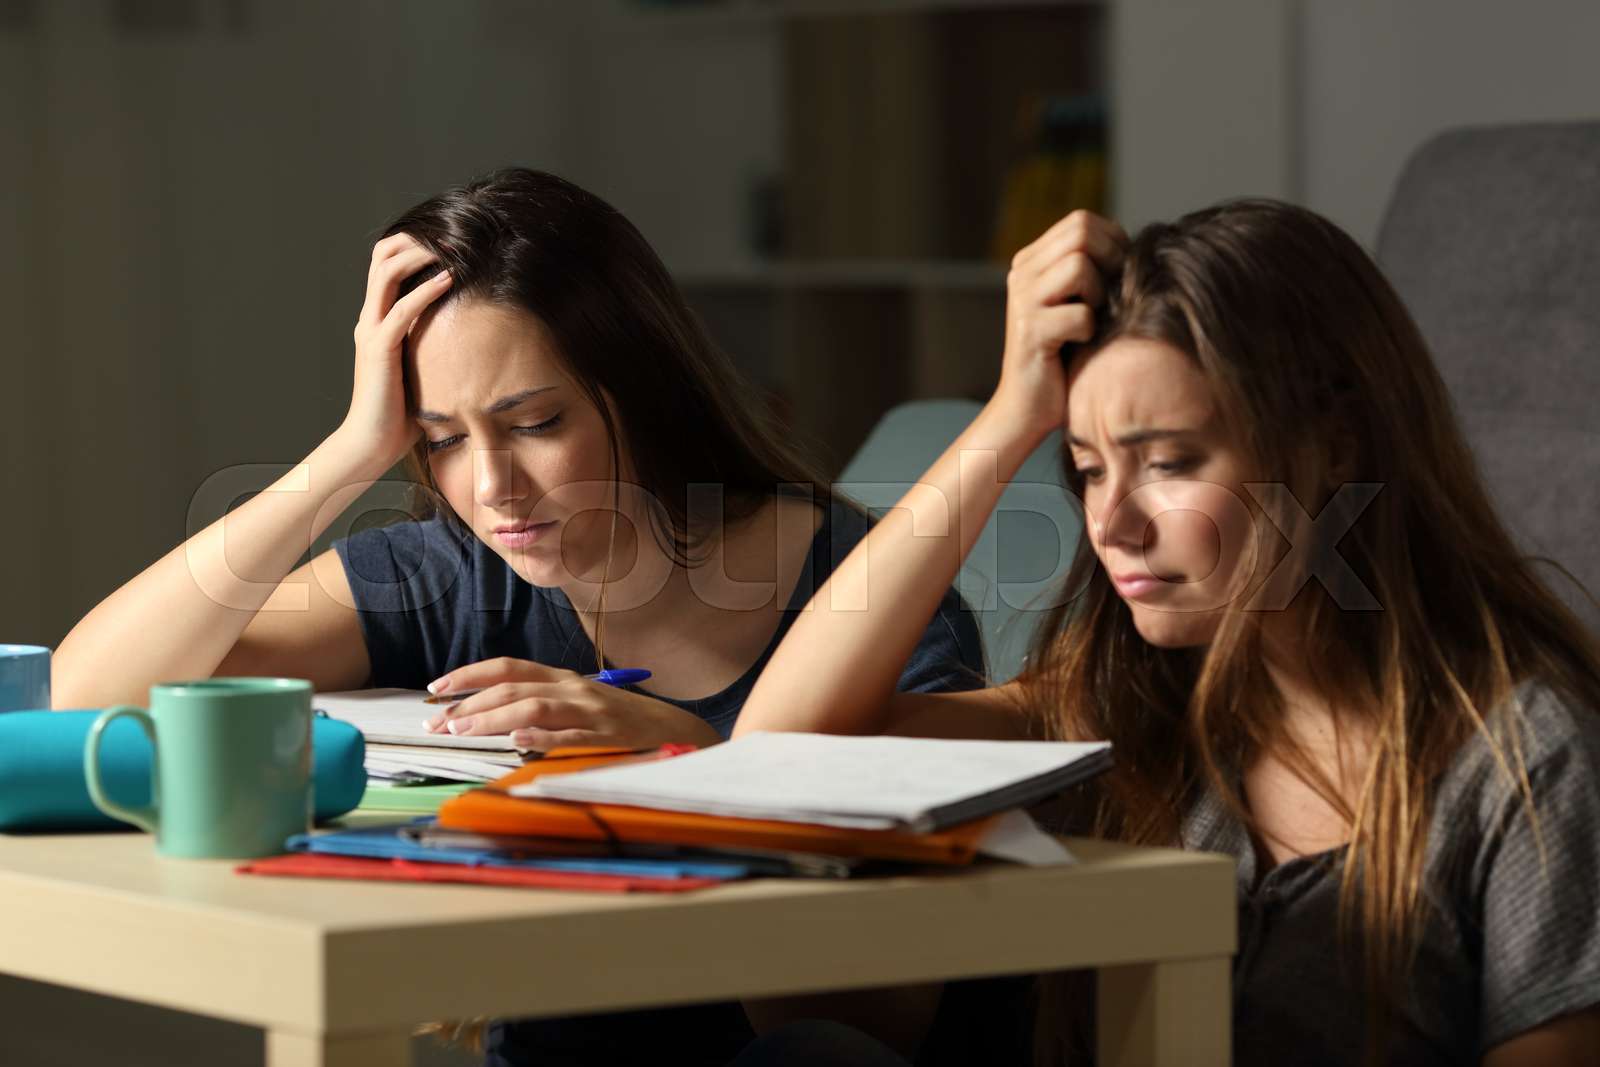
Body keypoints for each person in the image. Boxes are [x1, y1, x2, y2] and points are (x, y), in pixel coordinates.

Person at [51, 167, 984, 1066]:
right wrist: (353, 448)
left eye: (535, 423)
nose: (493, 488)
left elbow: (866, 1018)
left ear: (643, 389)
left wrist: (698, 768)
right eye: (443, 439)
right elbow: (88, 697)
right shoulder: (449, 572)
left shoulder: (866, 589)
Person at [736, 201, 1600, 1065]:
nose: (1111, 524)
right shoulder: (1124, 706)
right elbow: (781, 758)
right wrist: (1011, 415)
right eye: (1087, 469)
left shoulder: (1522, 761)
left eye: (1169, 462)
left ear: (1335, 448)